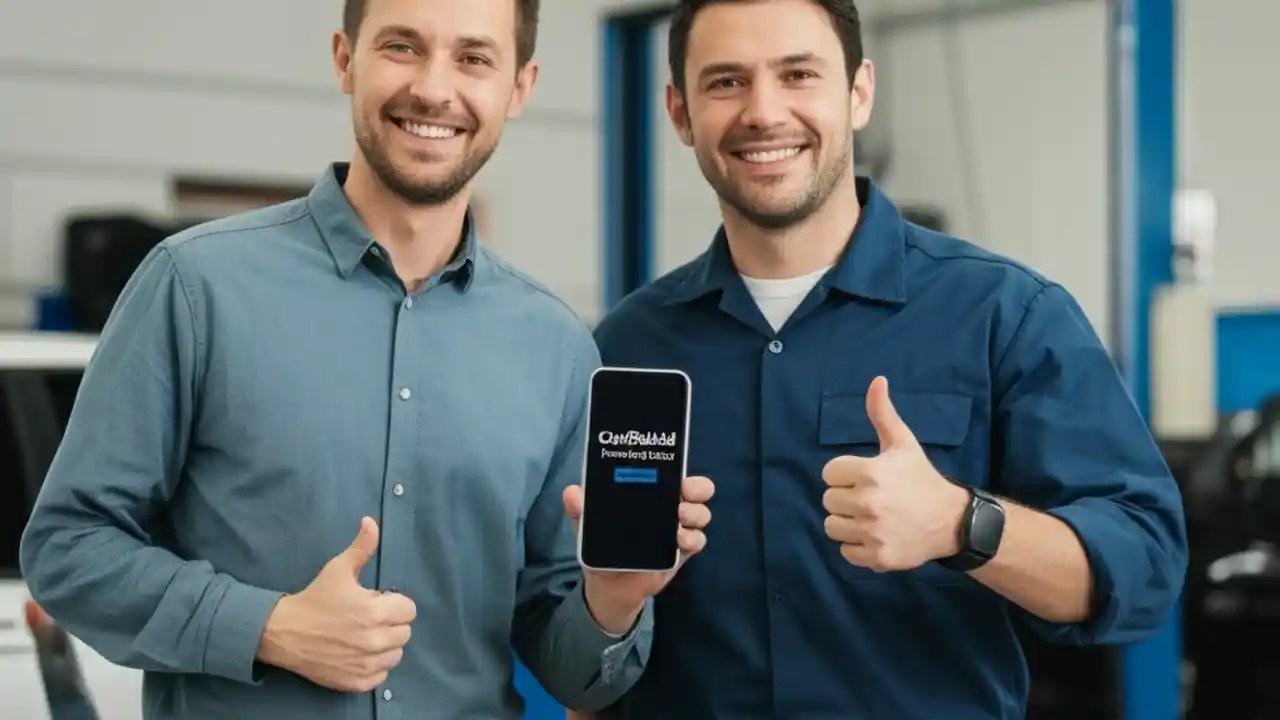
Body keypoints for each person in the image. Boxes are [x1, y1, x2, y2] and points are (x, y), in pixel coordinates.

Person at [18, 1, 714, 718]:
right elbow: (68, 549)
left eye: (473, 58)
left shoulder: (557, 347)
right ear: (347, 59)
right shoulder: (196, 287)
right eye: (403, 46)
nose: (435, 89)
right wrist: (267, 627)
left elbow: (575, 678)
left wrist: (615, 600)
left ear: (519, 86)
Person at [588, 0, 1188, 718]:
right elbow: (585, 646)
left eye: (799, 74)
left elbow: (1145, 567)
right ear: (679, 112)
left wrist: (962, 524)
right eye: (725, 82)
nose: (763, 111)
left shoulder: (1004, 314)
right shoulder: (628, 347)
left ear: (859, 91)